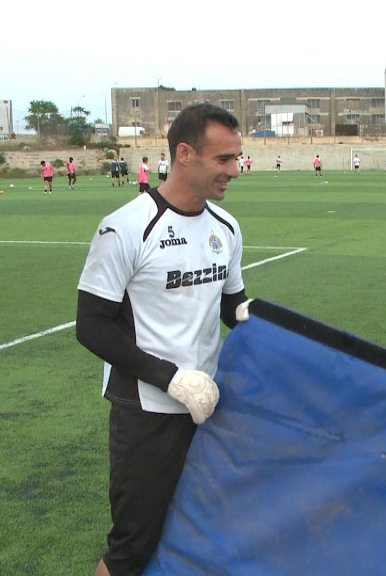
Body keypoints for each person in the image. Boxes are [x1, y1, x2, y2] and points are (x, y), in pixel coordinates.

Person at [76, 103, 249, 576]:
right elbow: (91, 325)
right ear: (185, 154)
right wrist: (170, 379)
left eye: (236, 158)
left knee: (201, 533)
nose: (234, 170)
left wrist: (273, 329)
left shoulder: (226, 228)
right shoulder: (127, 226)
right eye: (223, 159)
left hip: (210, 407)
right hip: (147, 412)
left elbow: (233, 306)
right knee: (133, 547)